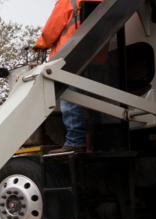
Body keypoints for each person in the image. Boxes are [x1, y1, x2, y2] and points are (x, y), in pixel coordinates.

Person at [35, 0, 102, 154]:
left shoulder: (67, 1)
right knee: (94, 101)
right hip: (95, 56)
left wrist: (40, 45)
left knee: (71, 101)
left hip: (70, 57)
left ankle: (75, 142)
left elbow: (51, 30)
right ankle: (97, 140)